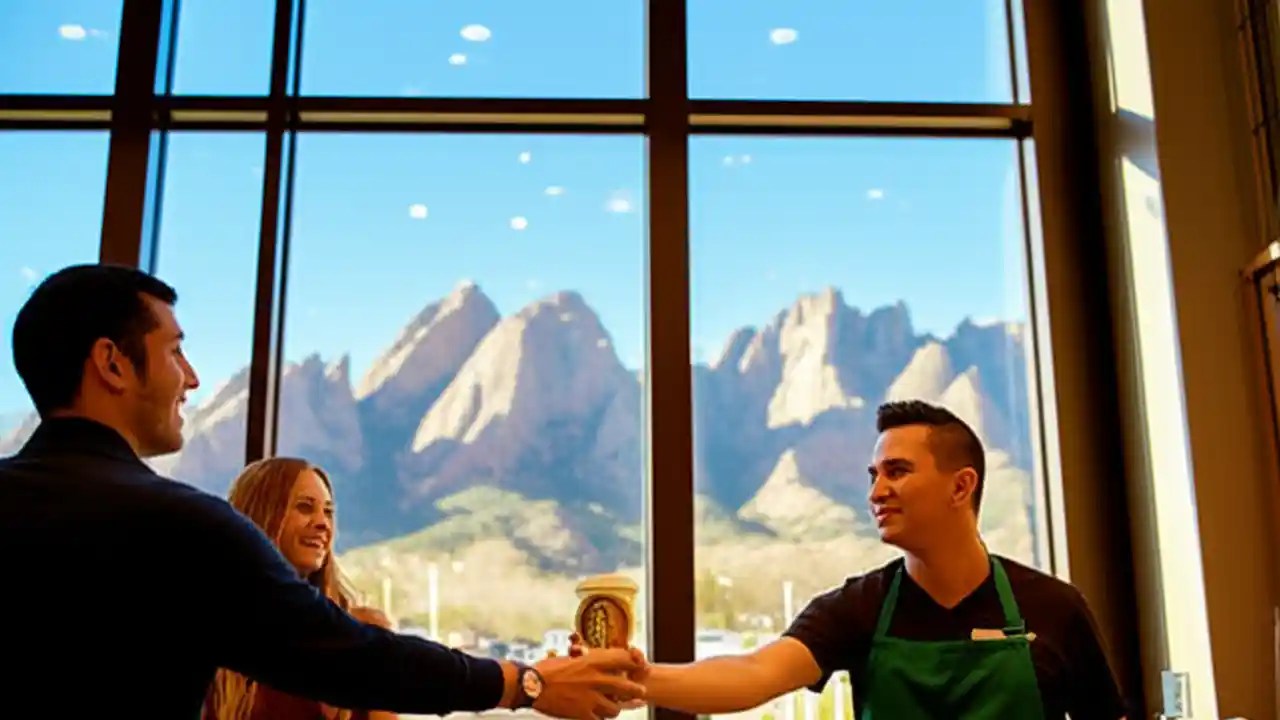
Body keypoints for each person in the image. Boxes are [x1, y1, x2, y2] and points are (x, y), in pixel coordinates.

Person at [0, 264, 643, 718]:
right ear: (112, 362)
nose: (192, 378)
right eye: (175, 352)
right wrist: (525, 684)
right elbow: (352, 658)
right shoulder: (178, 526)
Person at [575, 400, 1129, 719]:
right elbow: (752, 675)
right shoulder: (860, 607)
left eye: (898, 472)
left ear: (962, 487)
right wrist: (636, 678)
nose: (876, 492)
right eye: (873, 476)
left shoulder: (1056, 608)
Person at [205, 456, 399, 720]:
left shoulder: (361, 632)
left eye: (328, 512)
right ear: (263, 515)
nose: (323, 523)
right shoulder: (209, 632)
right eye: (306, 508)